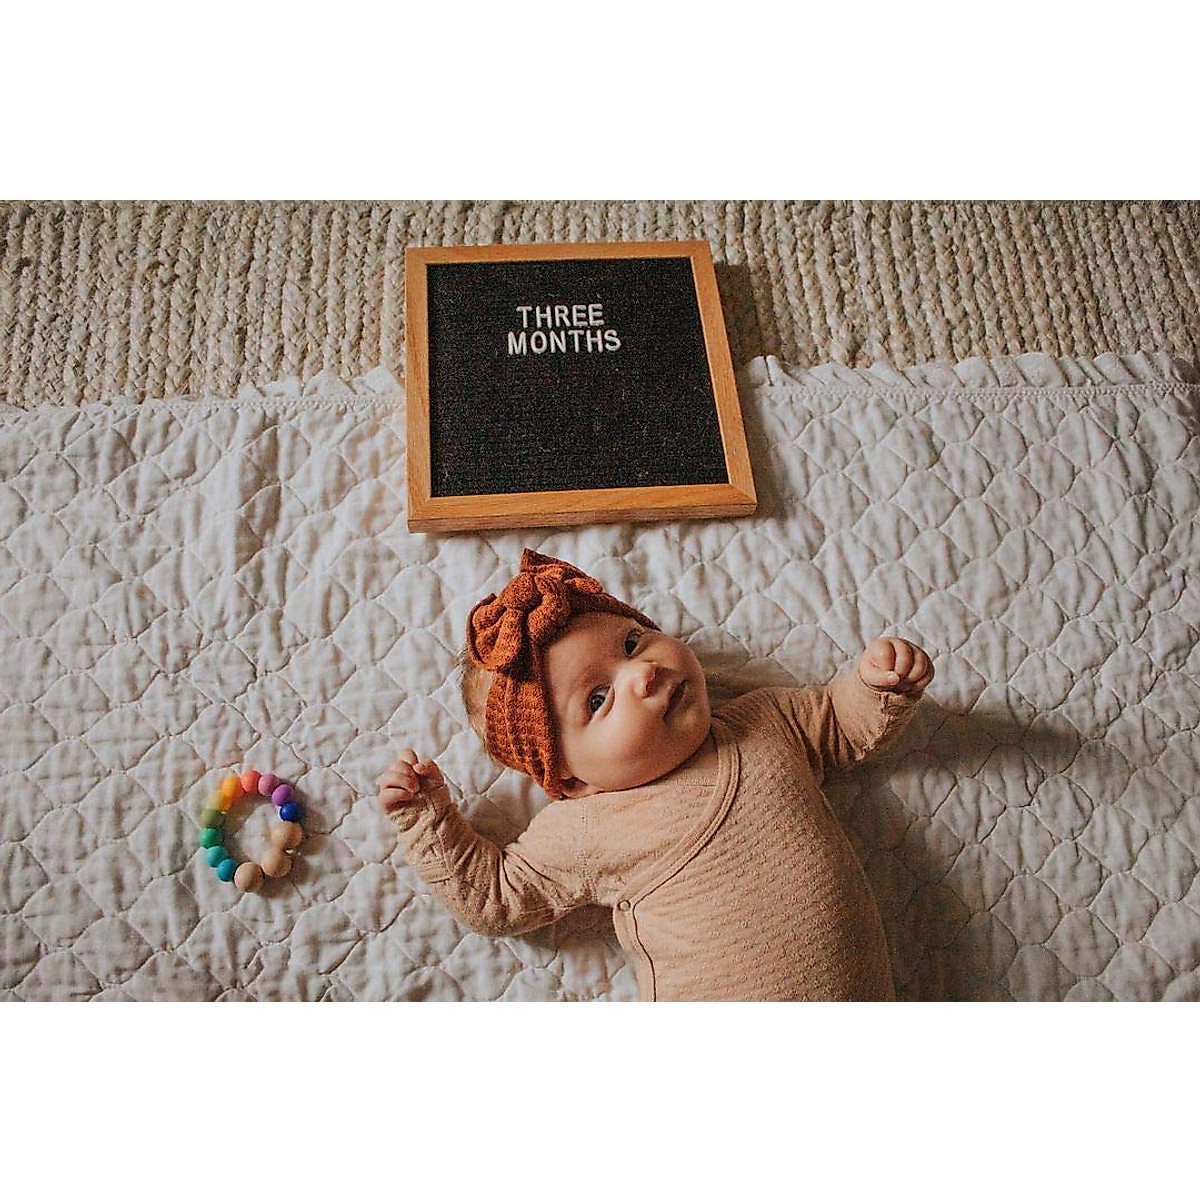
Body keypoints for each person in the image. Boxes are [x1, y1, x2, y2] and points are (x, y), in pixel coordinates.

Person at [376, 548, 933, 1000]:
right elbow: (496, 898)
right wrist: (426, 820)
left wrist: (876, 686)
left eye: (631, 642)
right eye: (598, 699)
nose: (642, 672)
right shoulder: (587, 827)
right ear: (572, 782)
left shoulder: (766, 721)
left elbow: (839, 723)